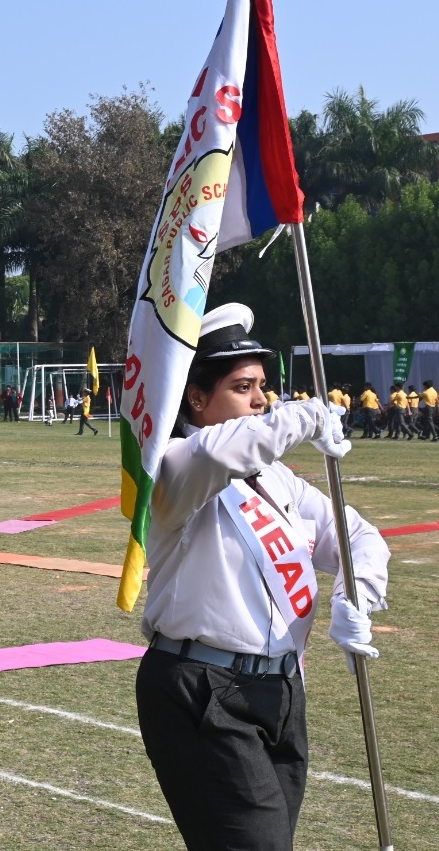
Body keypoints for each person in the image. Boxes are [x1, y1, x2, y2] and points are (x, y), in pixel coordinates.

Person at [135, 303, 390, 850]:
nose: (260, 401)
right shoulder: (173, 468)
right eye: (243, 386)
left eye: (264, 387)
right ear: (196, 397)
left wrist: (355, 597)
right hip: (201, 691)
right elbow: (222, 450)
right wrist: (305, 416)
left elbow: (357, 536)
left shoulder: (275, 479)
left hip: (280, 690)